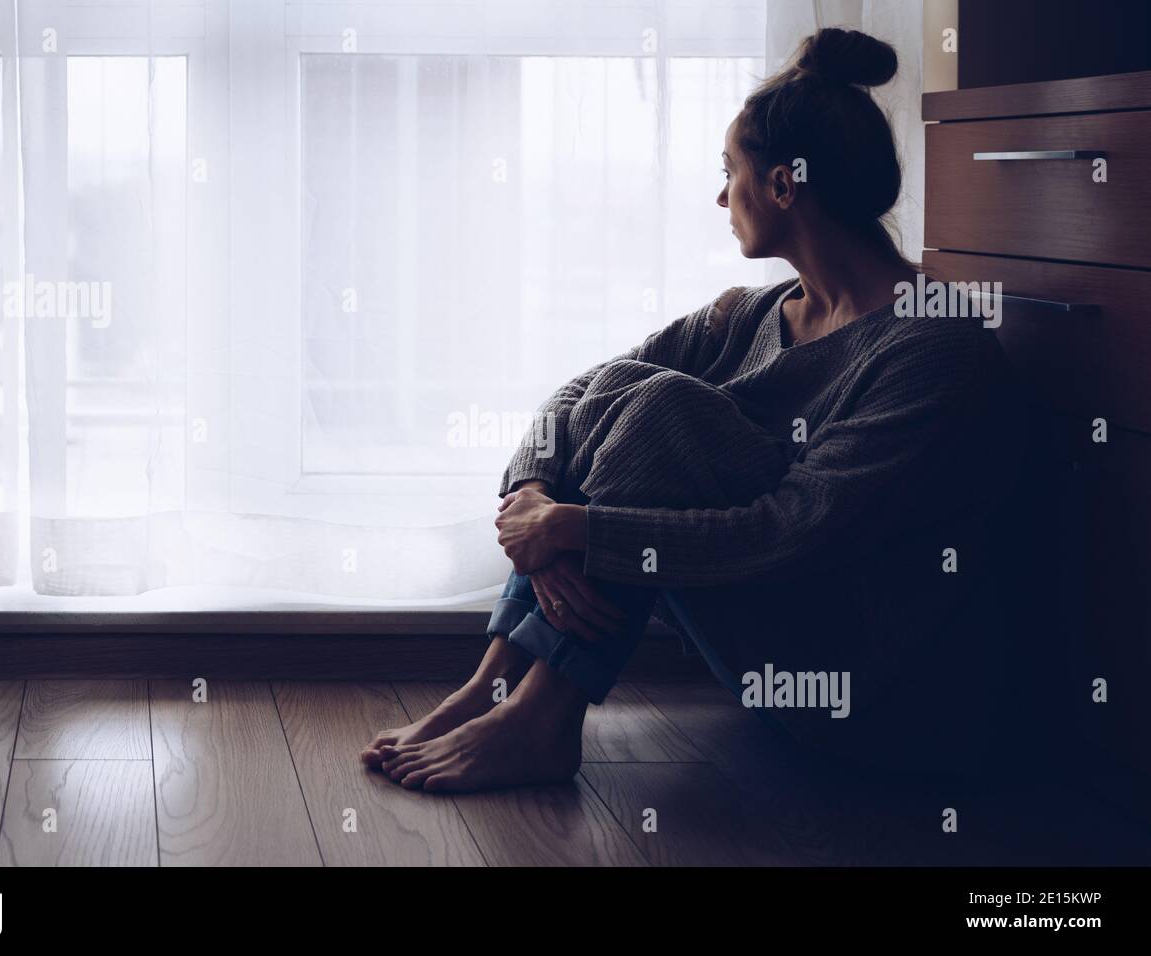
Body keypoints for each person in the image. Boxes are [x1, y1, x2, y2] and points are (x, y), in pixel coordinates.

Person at [359, 27, 1051, 793]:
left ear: (785, 187)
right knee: (622, 390)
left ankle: (541, 719)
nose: (722, 197)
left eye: (732, 174)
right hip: (776, 637)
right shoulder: (753, 315)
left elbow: (791, 530)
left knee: (661, 412)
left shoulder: (931, 346)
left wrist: (577, 528)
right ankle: (492, 690)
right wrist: (533, 497)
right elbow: (585, 388)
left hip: (880, 693)